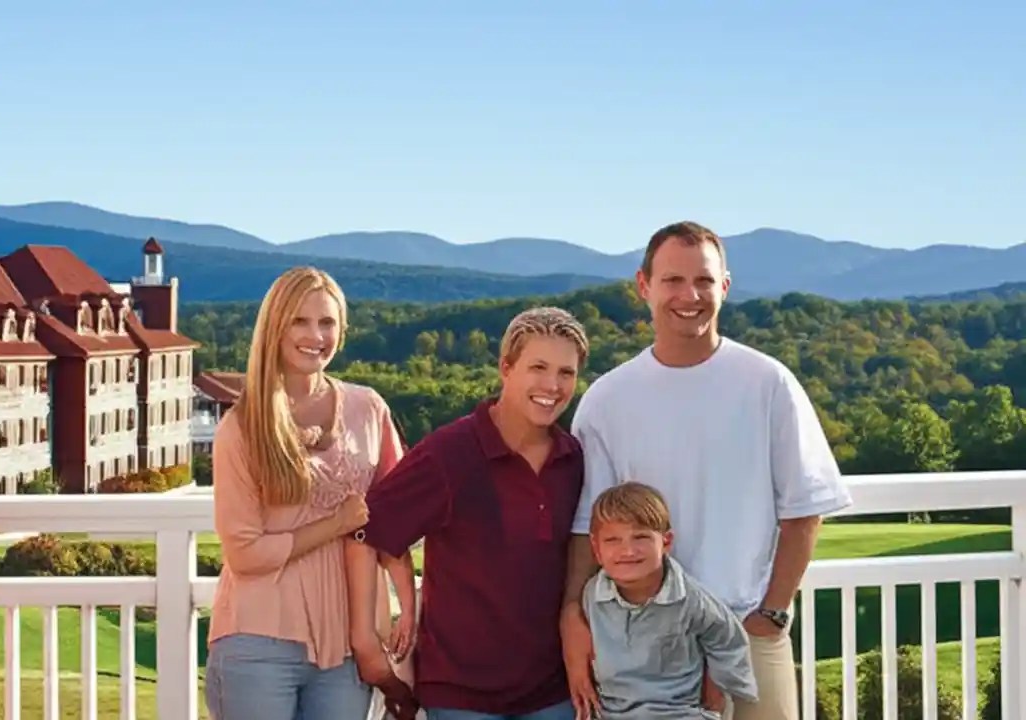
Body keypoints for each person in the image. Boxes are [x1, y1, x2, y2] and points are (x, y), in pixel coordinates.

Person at [560, 221, 852, 720]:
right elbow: (590, 524)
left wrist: (771, 614)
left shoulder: (768, 383)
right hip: (639, 641)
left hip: (746, 631)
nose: (689, 295)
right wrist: (573, 613)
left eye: (704, 280)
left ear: (726, 287)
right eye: (673, 280)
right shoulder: (608, 399)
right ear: (643, 286)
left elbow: (804, 510)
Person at [346, 306, 590, 720]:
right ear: (506, 368)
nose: (552, 385)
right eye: (538, 367)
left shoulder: (574, 460)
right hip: (462, 695)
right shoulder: (450, 454)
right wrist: (371, 639)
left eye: (566, 373)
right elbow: (367, 530)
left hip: (553, 693)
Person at [203, 266, 418, 720]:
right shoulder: (241, 427)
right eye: (299, 321)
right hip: (258, 639)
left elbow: (399, 519)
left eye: (327, 323)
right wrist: (336, 525)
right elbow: (245, 554)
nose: (315, 335)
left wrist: (408, 606)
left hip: (345, 648)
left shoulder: (367, 408)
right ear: (275, 326)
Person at [582, 481, 758, 719]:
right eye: (613, 540)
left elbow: (728, 640)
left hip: (679, 712)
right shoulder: (592, 595)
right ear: (596, 548)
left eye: (640, 537)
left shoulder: (691, 598)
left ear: (666, 541)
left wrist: (719, 690)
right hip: (614, 714)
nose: (628, 551)